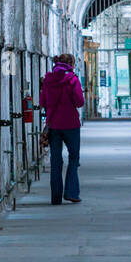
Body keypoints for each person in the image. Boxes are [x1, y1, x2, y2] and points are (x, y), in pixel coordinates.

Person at [39, 53, 84, 204]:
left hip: (54, 125)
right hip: (71, 124)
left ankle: (56, 197)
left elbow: (43, 102)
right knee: (73, 158)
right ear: (71, 64)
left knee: (55, 161)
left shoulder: (48, 80)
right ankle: (71, 192)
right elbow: (79, 102)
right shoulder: (72, 79)